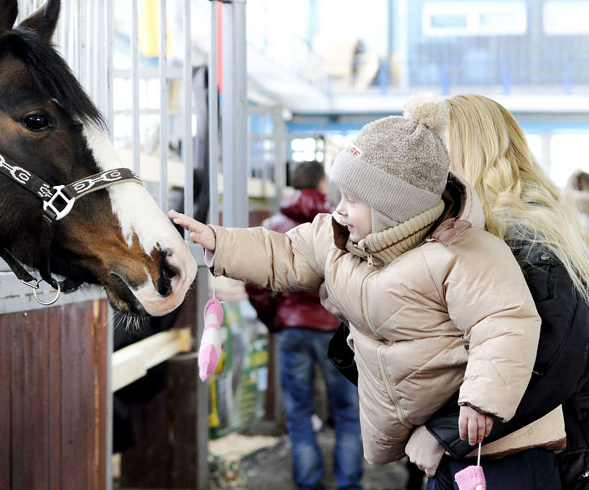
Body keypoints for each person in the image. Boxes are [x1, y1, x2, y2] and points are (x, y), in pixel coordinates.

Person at [170, 95, 566, 487]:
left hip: (487, 447)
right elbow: (285, 251)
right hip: (424, 438)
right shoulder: (344, 242)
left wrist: (479, 402)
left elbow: (503, 324)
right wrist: (220, 242)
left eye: (353, 200)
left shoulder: (463, 254)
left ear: (392, 209)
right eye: (339, 195)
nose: (338, 210)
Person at [399, 94, 589, 489]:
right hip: (497, 449)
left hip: (520, 455)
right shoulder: (484, 232)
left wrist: (443, 433)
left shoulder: (526, 239)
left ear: (463, 150)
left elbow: (550, 359)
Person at [245, 161, 363, 490]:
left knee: (298, 410)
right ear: (323, 185)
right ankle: (349, 483)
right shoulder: (340, 224)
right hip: (335, 331)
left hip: (292, 330)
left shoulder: (274, 225)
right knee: (347, 412)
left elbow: (256, 281)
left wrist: (275, 320)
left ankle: (308, 482)